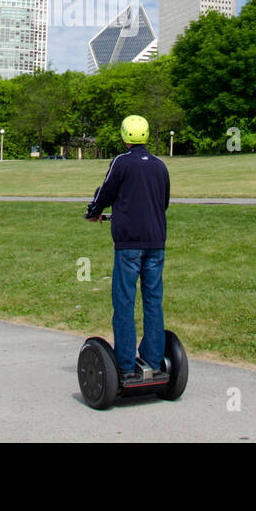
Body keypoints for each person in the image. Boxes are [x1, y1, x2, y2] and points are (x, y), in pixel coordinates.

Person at [84, 115, 170, 382]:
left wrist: (93, 211)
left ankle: (125, 365)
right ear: (145, 135)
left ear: (124, 136)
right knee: (153, 301)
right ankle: (154, 362)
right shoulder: (159, 165)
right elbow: (163, 202)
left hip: (129, 245)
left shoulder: (121, 162)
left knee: (124, 301)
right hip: (156, 243)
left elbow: (106, 192)